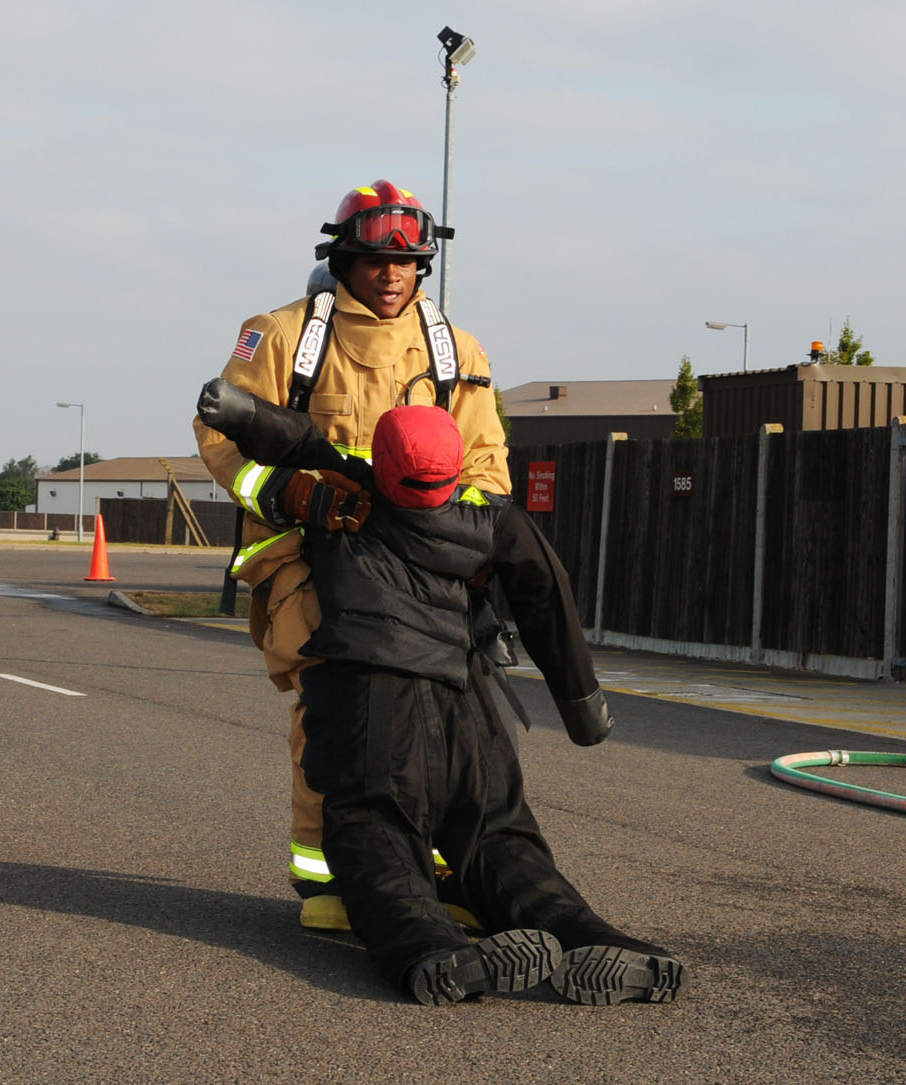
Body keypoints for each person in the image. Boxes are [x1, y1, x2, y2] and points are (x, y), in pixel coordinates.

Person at [193, 180, 609, 932]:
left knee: (446, 699)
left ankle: (435, 865)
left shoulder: (456, 350)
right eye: (376, 262)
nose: (392, 277)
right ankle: (331, 873)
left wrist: (461, 537)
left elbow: (486, 464)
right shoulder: (285, 336)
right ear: (344, 257)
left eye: (409, 263)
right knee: (339, 693)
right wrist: (293, 496)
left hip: (420, 557)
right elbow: (221, 438)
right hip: (310, 548)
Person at [198, 385, 686, 1006]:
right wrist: (581, 703)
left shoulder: (357, 491)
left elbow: (303, 442)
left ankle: (436, 955)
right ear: (454, 469)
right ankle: (601, 939)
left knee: (379, 838)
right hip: (469, 698)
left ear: (383, 459)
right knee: (500, 839)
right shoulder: (490, 515)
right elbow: (546, 592)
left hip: (371, 696)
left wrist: (241, 413)